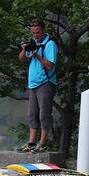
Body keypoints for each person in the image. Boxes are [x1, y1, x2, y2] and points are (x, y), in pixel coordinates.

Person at [18, 18, 58, 153]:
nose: (35, 35)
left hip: (46, 82)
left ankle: (43, 143)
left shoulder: (50, 44)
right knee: (32, 114)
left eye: (38, 33)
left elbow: (50, 64)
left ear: (43, 30)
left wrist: (37, 55)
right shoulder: (34, 43)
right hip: (33, 83)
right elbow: (22, 59)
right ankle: (31, 143)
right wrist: (24, 49)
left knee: (44, 114)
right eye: (33, 33)